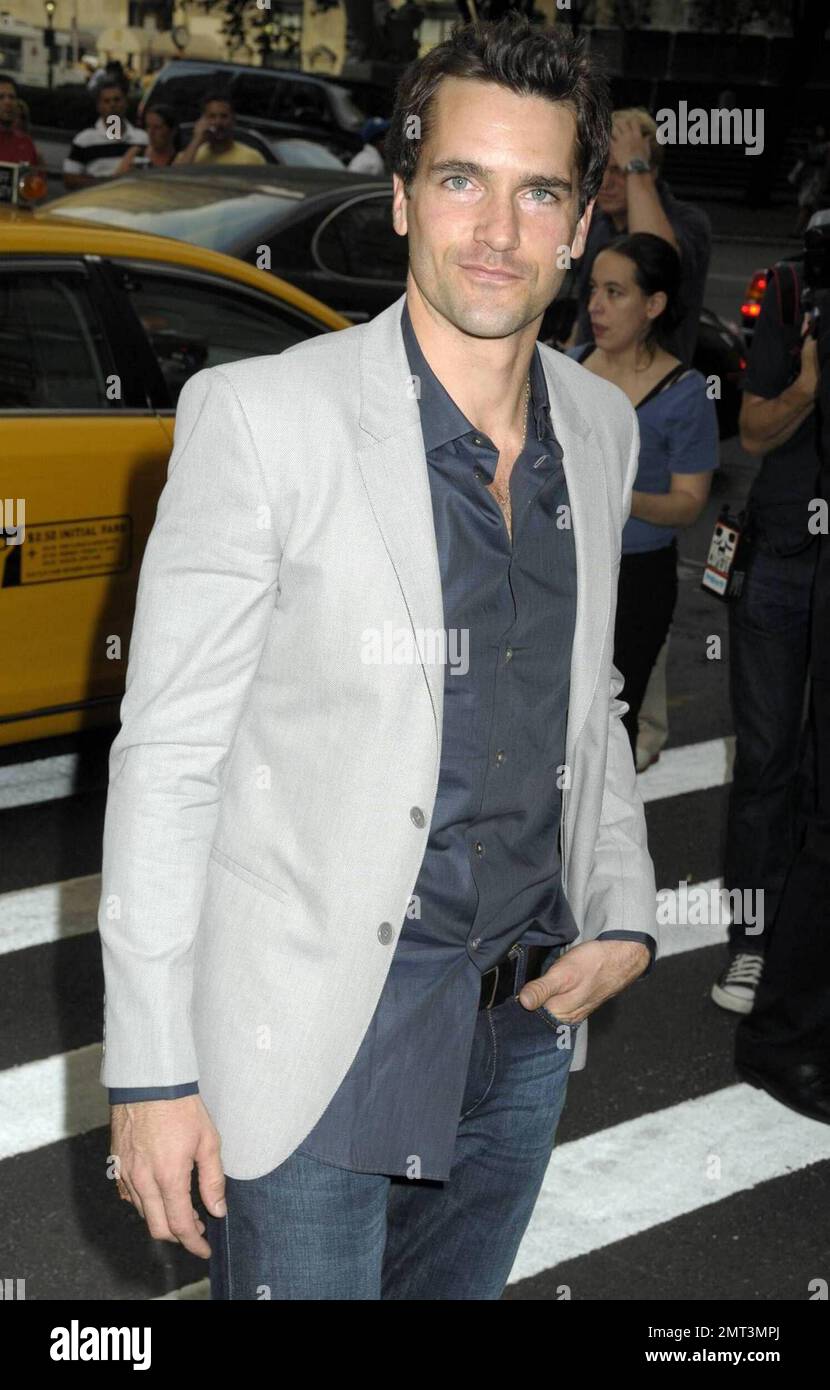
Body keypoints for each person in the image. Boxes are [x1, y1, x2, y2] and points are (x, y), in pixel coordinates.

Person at [99, 15, 658, 1301]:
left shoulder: (599, 424)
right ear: (401, 196)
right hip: (314, 1049)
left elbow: (590, 702)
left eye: (538, 194)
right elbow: (170, 761)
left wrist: (622, 903)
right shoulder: (262, 422)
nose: (496, 232)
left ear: (580, 226)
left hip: (518, 1038)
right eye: (461, 179)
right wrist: (151, 1075)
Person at [714, 237, 823, 1016]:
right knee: (768, 762)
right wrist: (811, 384)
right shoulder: (796, 291)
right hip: (783, 557)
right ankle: (752, 944)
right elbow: (752, 430)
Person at [567, 232, 718, 756]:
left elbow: (689, 503)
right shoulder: (573, 363)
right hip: (564, 564)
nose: (596, 307)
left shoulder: (684, 391)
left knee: (612, 725)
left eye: (615, 293)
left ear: (653, 305)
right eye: (593, 291)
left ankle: (605, 837)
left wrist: (618, 494)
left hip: (636, 578)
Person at [569, 107, 712, 368]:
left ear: (650, 170)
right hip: (595, 379)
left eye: (620, 171)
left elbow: (655, 255)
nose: (606, 183)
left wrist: (635, 165)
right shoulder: (598, 223)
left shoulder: (688, 222)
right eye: (602, 169)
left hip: (652, 389)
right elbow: (585, 308)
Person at [62, 81, 148, 190]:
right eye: (106, 101)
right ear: (99, 106)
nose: (112, 105)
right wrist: (106, 184)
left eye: (117, 100)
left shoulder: (142, 139)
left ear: (126, 103)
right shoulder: (84, 140)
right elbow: (69, 180)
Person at [174, 92, 267, 167]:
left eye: (224, 116)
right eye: (212, 116)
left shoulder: (251, 158)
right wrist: (197, 139)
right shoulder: (192, 155)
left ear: (233, 120)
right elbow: (175, 178)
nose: (218, 122)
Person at [113, 103, 181, 174]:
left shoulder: (180, 159)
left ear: (173, 130)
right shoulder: (136, 153)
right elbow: (117, 178)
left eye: (157, 127)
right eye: (148, 126)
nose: (151, 132)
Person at [0, 76, 42, 167]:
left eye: (12, 97)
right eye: (1, 97)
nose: (8, 102)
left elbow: (35, 178)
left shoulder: (26, 143)